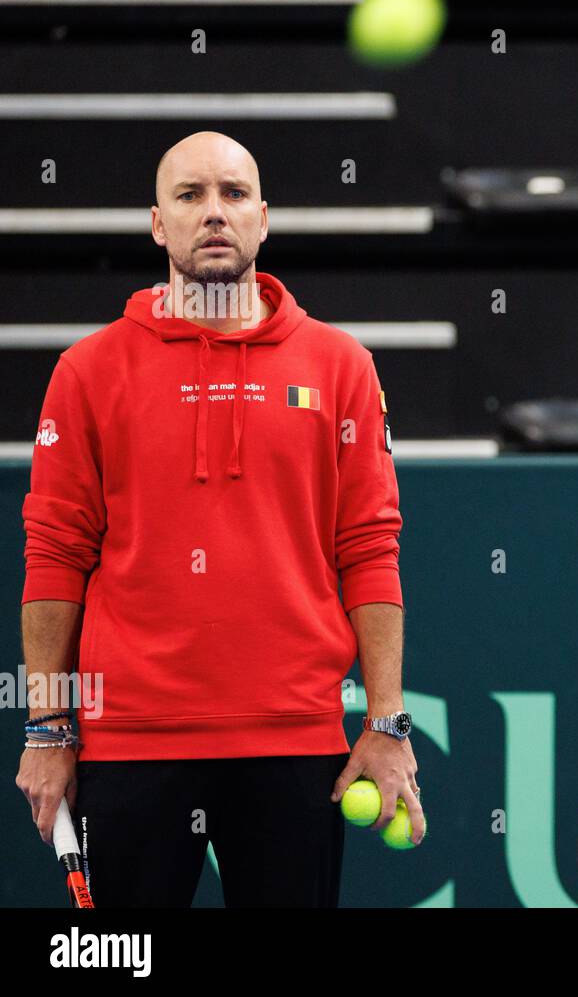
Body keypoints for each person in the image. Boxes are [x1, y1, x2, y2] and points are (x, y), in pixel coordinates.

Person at [15, 131, 421, 908]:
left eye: (233, 194)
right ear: (157, 224)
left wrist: (387, 720)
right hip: (130, 742)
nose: (214, 213)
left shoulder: (341, 366)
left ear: (263, 220)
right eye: (190, 195)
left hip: (295, 742)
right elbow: (56, 554)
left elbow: (368, 545)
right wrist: (48, 726)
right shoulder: (89, 371)